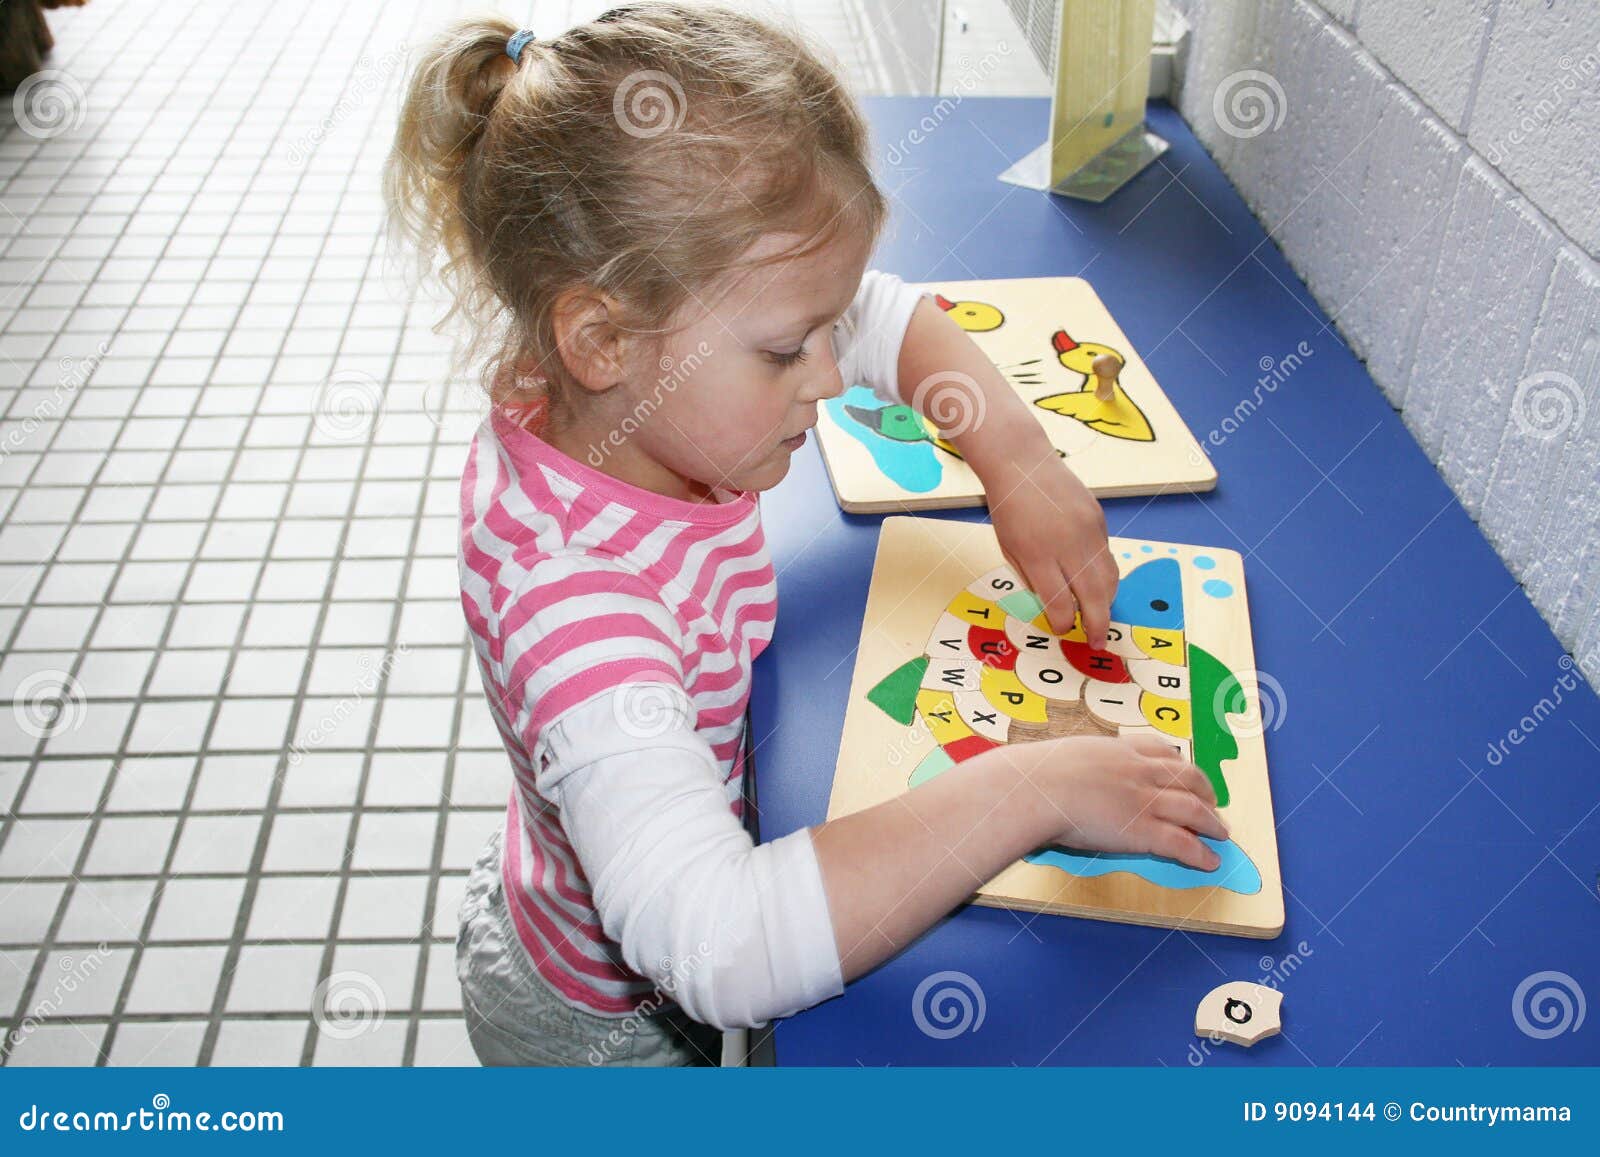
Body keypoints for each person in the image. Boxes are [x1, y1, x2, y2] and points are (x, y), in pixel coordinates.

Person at [382, 2, 1226, 1067]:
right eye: (787, 351)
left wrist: (1017, 456)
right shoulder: (576, 600)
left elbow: (876, 315)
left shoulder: (622, 395)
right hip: (613, 1028)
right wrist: (1032, 786)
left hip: (610, 856)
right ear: (598, 337)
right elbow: (718, 945)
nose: (831, 377)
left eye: (818, 335)